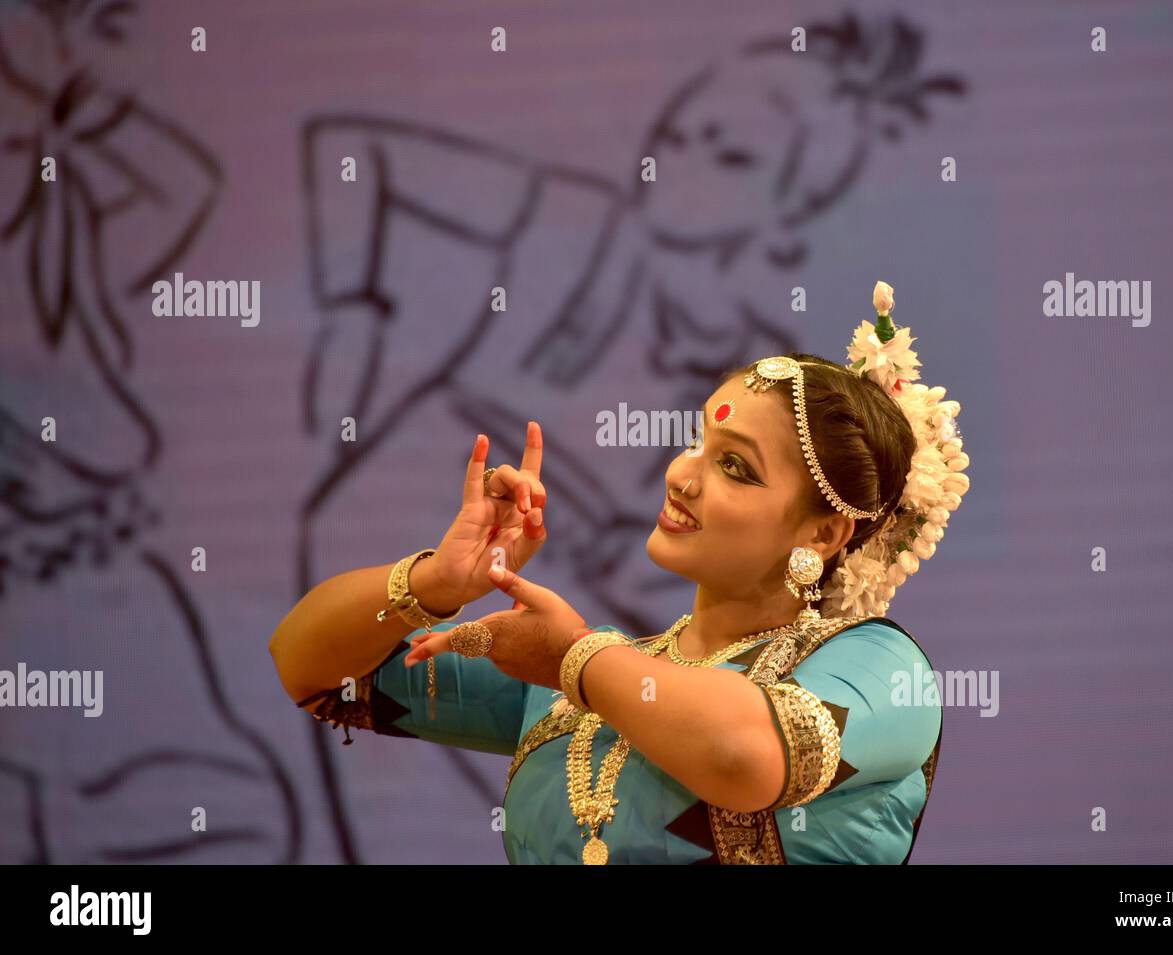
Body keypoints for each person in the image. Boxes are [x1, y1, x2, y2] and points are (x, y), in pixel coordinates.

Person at [269, 281, 970, 864]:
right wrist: (436, 585)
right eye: (699, 442)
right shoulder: (575, 683)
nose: (683, 475)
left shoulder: (882, 668)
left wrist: (574, 658)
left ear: (824, 531)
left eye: (734, 466)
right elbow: (308, 666)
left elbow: (745, 754)